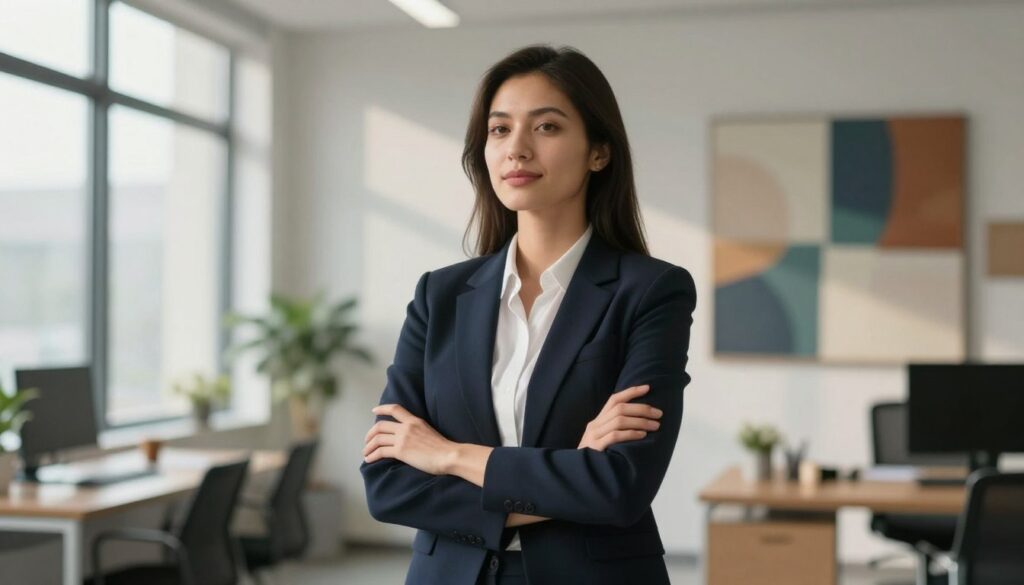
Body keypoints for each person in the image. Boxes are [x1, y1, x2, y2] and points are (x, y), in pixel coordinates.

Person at [360, 44, 696, 585]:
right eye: (499, 130)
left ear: (599, 152)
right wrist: (568, 473)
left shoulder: (652, 291)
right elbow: (388, 484)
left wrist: (447, 456)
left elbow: (619, 486)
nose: (516, 149)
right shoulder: (439, 296)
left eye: (546, 128)